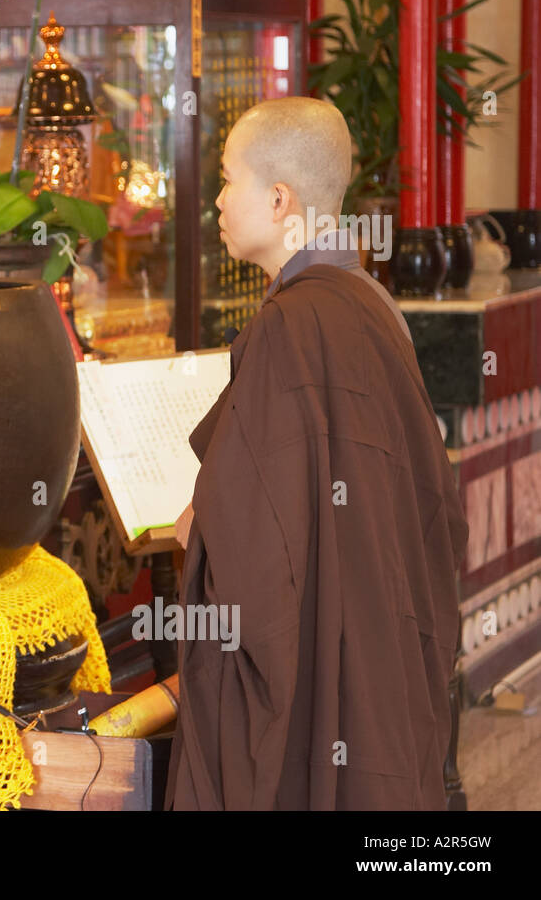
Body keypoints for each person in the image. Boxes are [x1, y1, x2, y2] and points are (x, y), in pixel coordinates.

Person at [166, 97, 468, 810]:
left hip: (326, 645)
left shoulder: (292, 325)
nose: (215, 198)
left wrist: (198, 527)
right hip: (379, 642)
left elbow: (255, 537)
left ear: (279, 200)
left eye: (228, 179)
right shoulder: (372, 304)